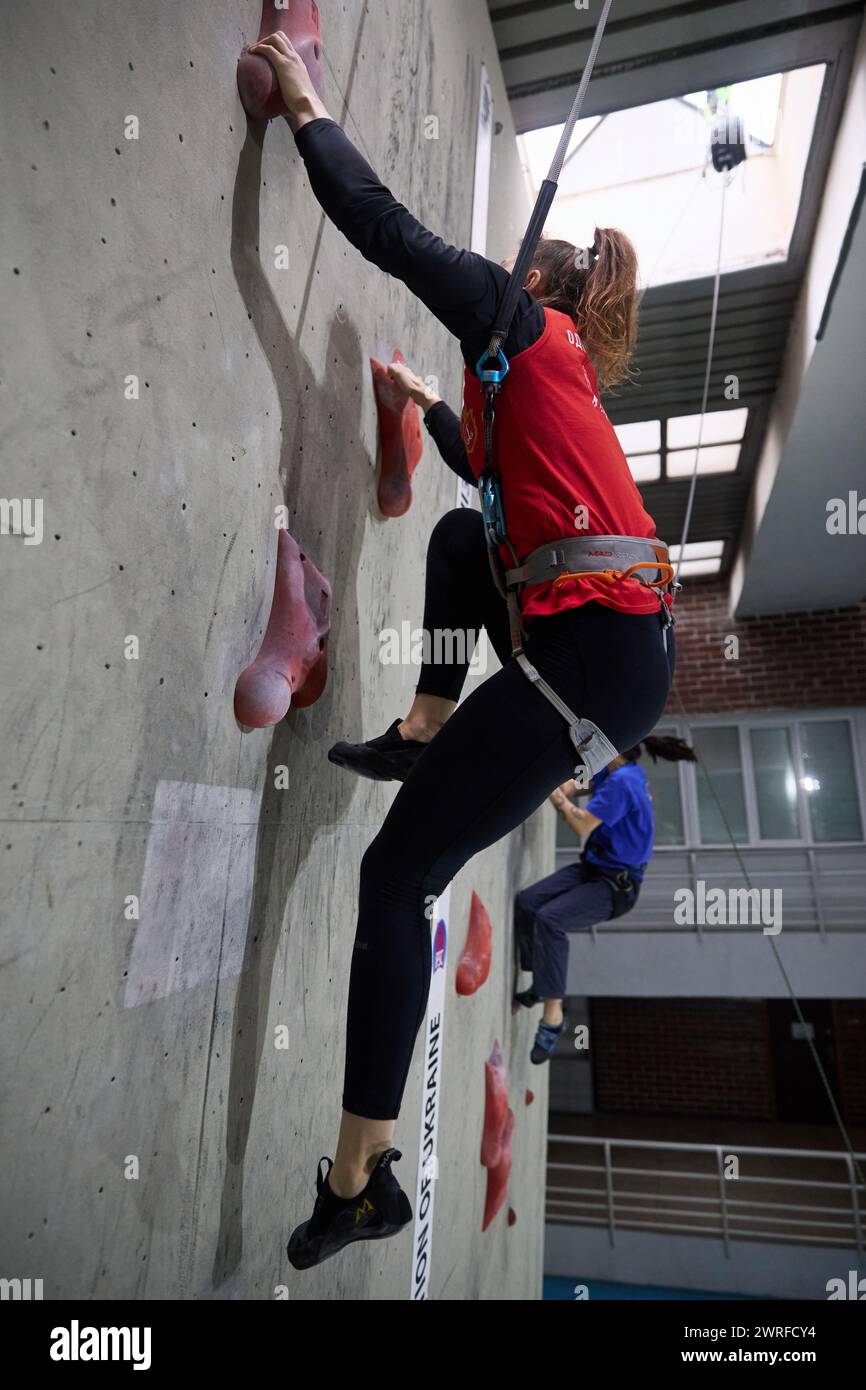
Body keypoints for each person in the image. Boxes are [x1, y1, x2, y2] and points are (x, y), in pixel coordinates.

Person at [248, 33, 677, 1270]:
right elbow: (485, 484)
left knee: (398, 876)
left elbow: (377, 222)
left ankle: (356, 1179)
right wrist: (416, 407)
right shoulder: (541, 388)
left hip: (591, 654)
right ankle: (427, 723)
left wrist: (307, 106)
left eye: (507, 265)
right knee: (452, 533)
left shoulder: (519, 329)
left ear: (527, 280)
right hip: (602, 643)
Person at [513, 736, 697, 1063]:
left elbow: (582, 825)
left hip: (616, 887)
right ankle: (543, 981)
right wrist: (562, 786)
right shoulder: (619, 771)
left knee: (550, 920)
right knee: (528, 903)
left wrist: (560, 802)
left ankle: (553, 1017)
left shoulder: (624, 783)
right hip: (595, 866)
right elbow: (580, 783)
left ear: (615, 748)